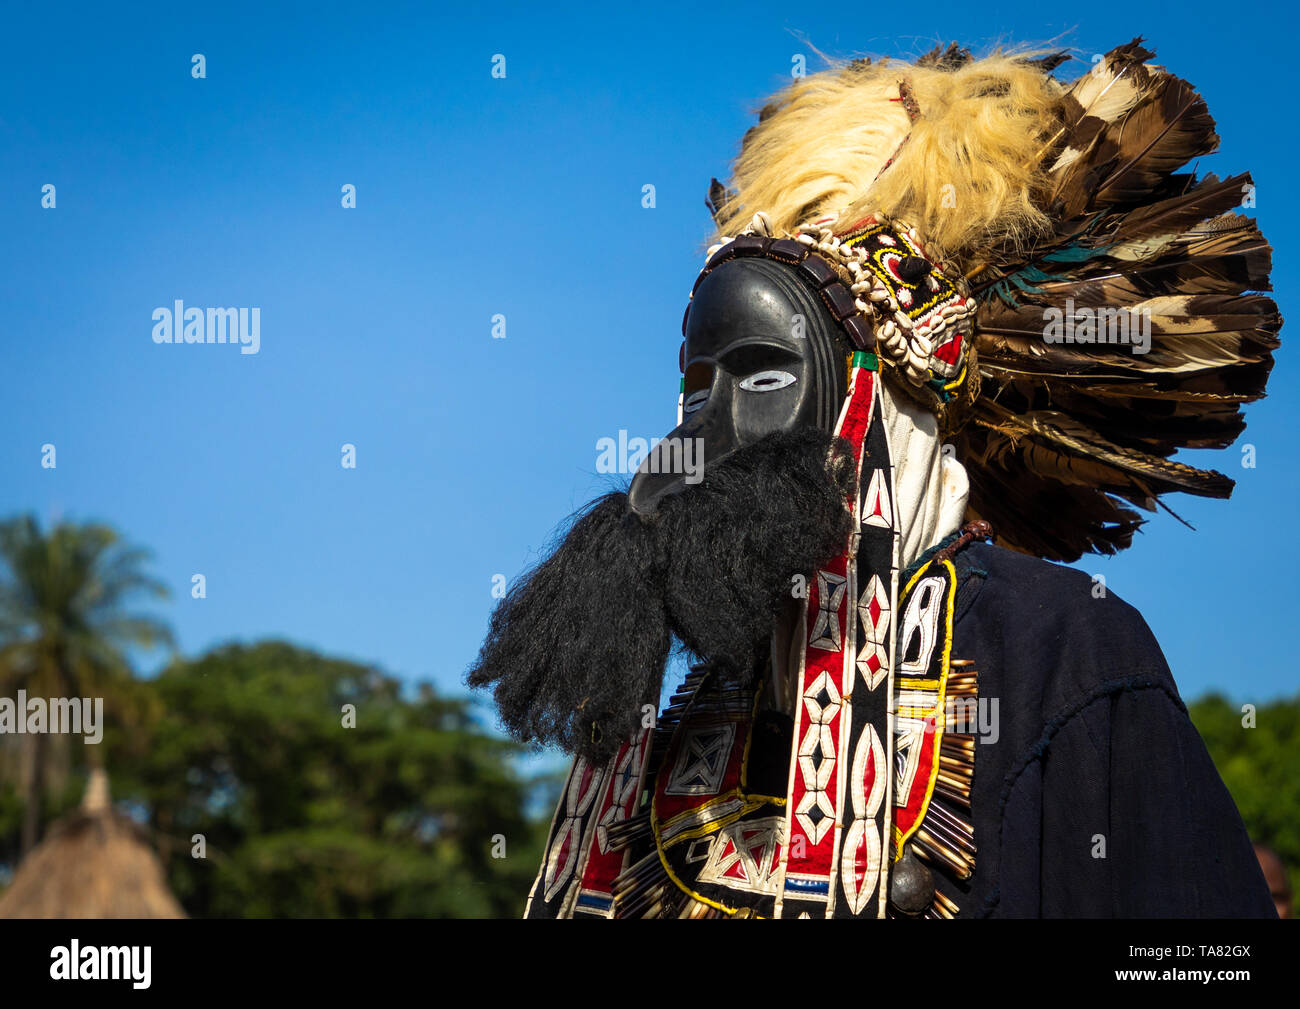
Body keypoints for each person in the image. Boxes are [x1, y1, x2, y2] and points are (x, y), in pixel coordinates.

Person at [468, 40, 1280, 918]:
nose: (700, 436)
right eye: (696, 387)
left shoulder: (1063, 649)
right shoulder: (703, 701)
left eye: (765, 376)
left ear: (886, 402)